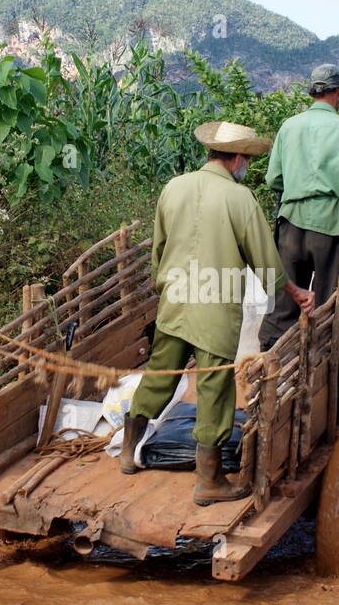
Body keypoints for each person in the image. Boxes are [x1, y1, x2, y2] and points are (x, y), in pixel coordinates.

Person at [121, 121, 315, 506]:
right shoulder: (240, 199)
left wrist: (166, 285)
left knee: (160, 374)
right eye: (247, 160)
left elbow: (158, 248)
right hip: (215, 304)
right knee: (214, 387)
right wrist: (294, 292)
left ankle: (128, 453)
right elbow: (265, 260)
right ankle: (208, 480)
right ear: (238, 158)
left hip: (175, 299)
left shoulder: (173, 187)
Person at [258, 64, 339, 350]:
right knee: (329, 299)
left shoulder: (289, 126)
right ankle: (324, 357)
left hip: (289, 224)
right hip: (328, 225)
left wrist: (298, 185)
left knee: (285, 300)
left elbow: (273, 179)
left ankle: (269, 356)